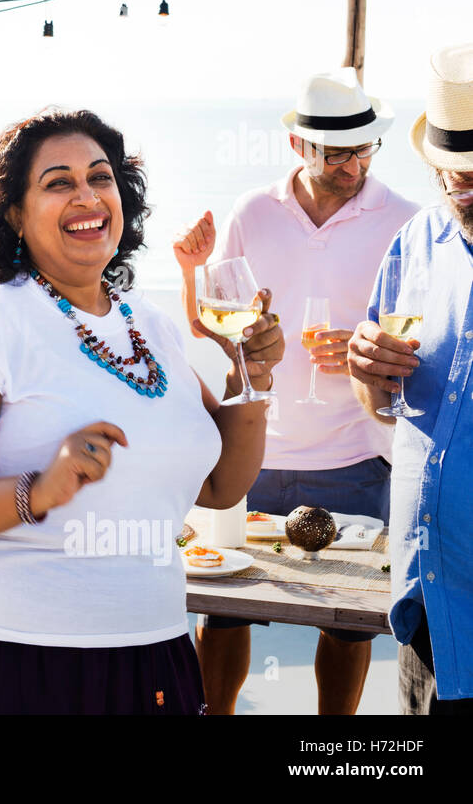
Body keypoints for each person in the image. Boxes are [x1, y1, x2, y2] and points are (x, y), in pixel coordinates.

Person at [0, 108, 284, 714]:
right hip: (6, 660)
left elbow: (221, 484)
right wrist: (38, 490)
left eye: (101, 178)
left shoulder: (147, 323)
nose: (87, 196)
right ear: (14, 215)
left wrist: (250, 376)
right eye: (58, 182)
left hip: (151, 652)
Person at [174, 68, 418, 715]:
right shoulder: (253, 211)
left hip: (355, 459)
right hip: (255, 454)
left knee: (348, 620)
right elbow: (212, 320)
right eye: (334, 152)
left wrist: (371, 351)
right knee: (224, 613)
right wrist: (192, 271)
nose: (351, 164)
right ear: (297, 148)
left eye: (363, 149)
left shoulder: (407, 222)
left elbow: (422, 339)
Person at [347, 42, 473, 713]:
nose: (466, 190)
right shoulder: (417, 242)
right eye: (456, 174)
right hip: (428, 604)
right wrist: (363, 369)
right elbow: (382, 404)